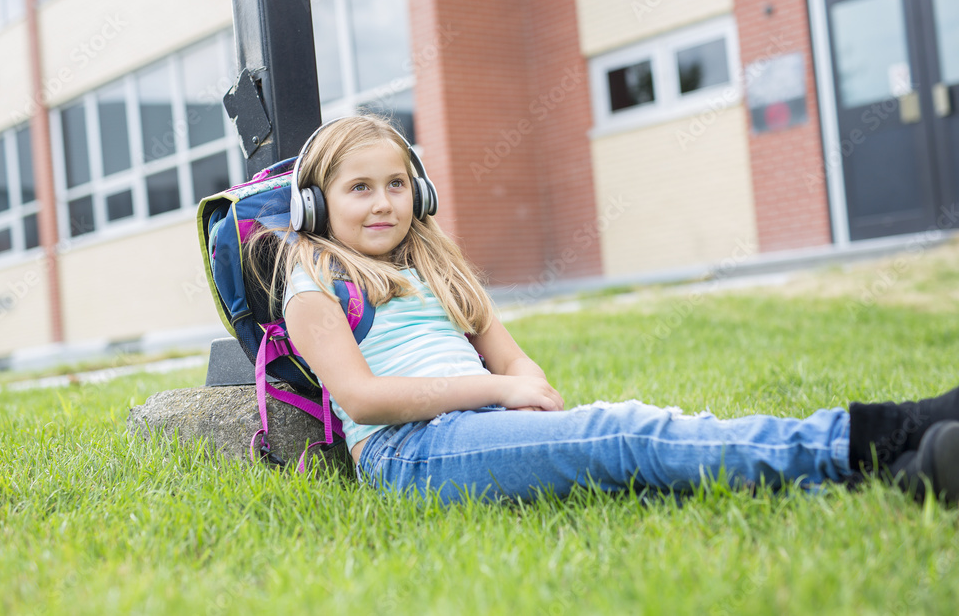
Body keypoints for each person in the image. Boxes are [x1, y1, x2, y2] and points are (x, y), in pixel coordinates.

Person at [255, 114, 959, 506]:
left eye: (397, 185)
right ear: (315, 204)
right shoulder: (315, 276)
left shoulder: (429, 261)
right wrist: (501, 390)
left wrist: (526, 390)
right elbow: (364, 397)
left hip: (476, 424)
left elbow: (505, 350)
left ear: (422, 193)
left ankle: (901, 474)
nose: (384, 202)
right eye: (359, 189)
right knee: (629, 434)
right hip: (411, 453)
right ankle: (883, 431)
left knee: (643, 468)